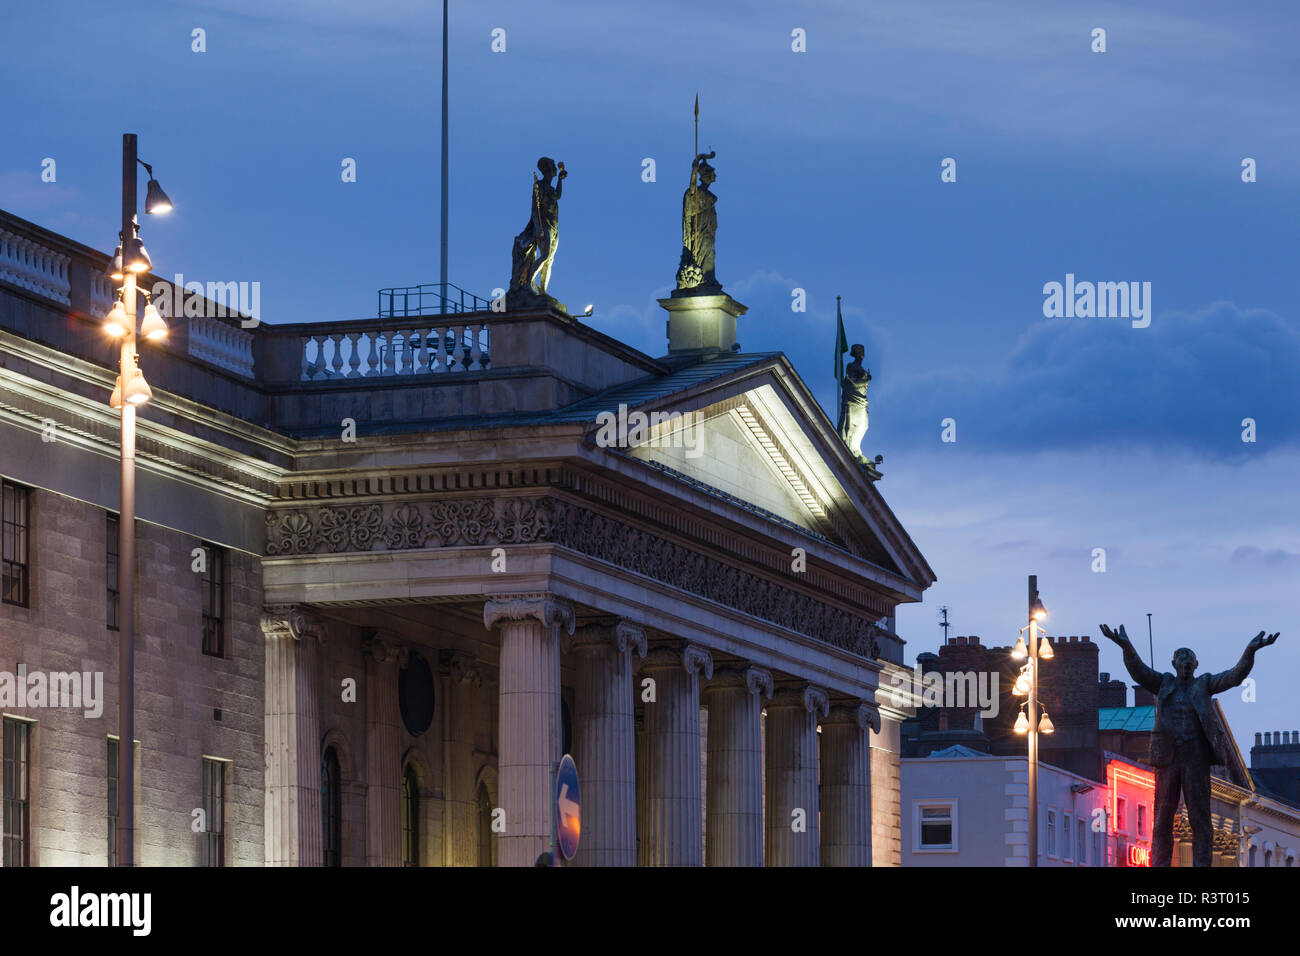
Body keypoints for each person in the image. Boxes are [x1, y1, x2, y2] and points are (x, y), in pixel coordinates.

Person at [1100, 624, 1279, 866]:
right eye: (1181, 658)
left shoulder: (1203, 684)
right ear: (1173, 664)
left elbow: (1234, 676)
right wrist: (1126, 645)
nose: (1185, 662)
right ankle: (1160, 862)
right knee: (1163, 816)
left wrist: (1250, 651)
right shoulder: (1163, 683)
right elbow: (1139, 672)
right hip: (1168, 758)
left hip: (1195, 758)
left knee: (1200, 818)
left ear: (1196, 665)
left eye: (1189, 659)